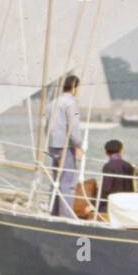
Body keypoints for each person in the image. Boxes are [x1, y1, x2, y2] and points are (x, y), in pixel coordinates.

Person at [47, 74, 82, 218]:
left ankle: (54, 211)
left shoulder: (52, 103)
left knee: (56, 181)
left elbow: (46, 126)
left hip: (53, 146)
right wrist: (78, 145)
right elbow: (73, 127)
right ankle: (66, 215)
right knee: (68, 182)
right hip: (66, 147)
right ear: (74, 88)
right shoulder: (70, 103)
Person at [97, 139, 135, 214]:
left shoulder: (108, 166)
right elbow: (131, 187)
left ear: (106, 153)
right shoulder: (128, 166)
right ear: (121, 151)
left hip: (111, 204)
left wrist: (96, 205)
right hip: (126, 203)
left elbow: (106, 189)